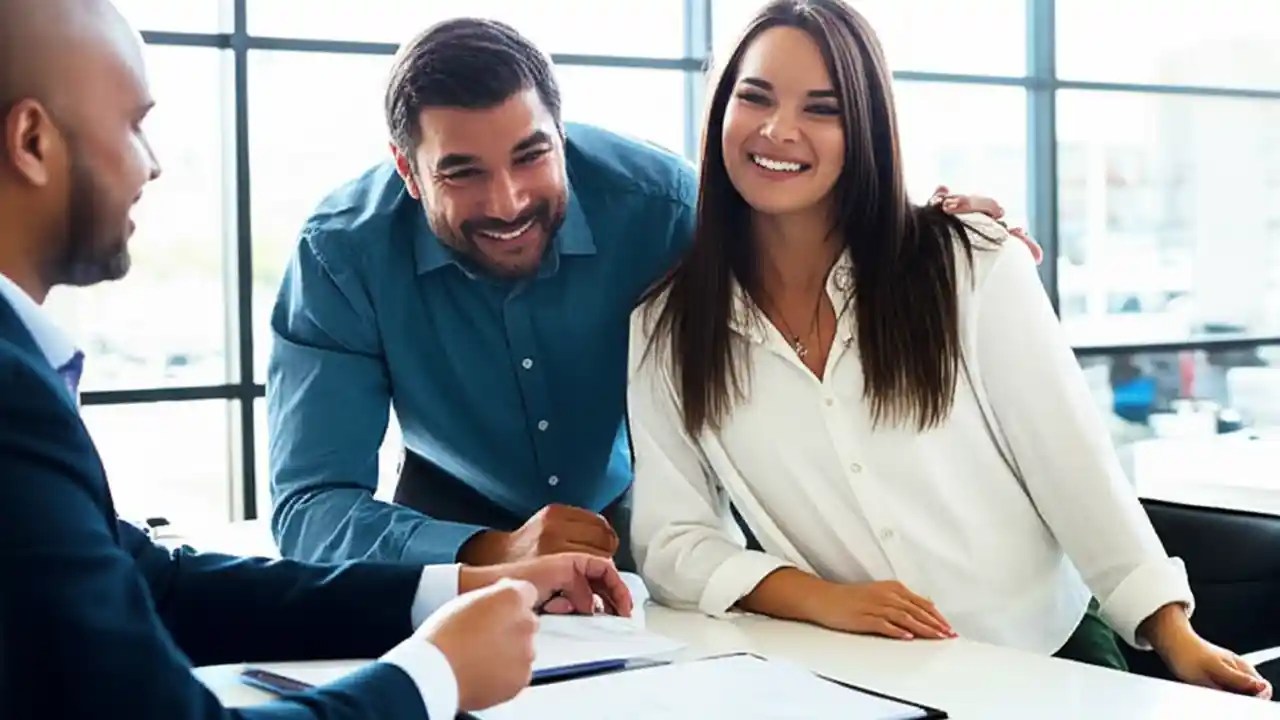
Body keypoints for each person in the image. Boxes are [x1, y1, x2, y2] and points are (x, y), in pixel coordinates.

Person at [0, 1, 632, 718]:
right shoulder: (11, 397)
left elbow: (157, 586)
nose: (153, 162)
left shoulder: (18, 372)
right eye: (132, 124)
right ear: (32, 141)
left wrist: (463, 588)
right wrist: (434, 675)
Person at [627, 0, 1271, 699]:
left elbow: (1073, 465)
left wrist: (1174, 634)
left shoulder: (967, 263)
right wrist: (819, 598)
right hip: (860, 675)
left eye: (823, 108)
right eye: (754, 97)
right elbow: (672, 541)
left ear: (866, 129)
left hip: (1047, 656)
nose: (779, 129)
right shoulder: (669, 326)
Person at [267, 15, 1026, 570]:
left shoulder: (665, 208)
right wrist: (491, 550)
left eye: (532, 156)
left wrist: (932, 238)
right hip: (449, 529)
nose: (507, 201)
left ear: (561, 133)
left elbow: (809, 241)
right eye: (462, 172)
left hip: (646, 521)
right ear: (408, 170)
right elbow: (309, 507)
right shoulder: (340, 256)